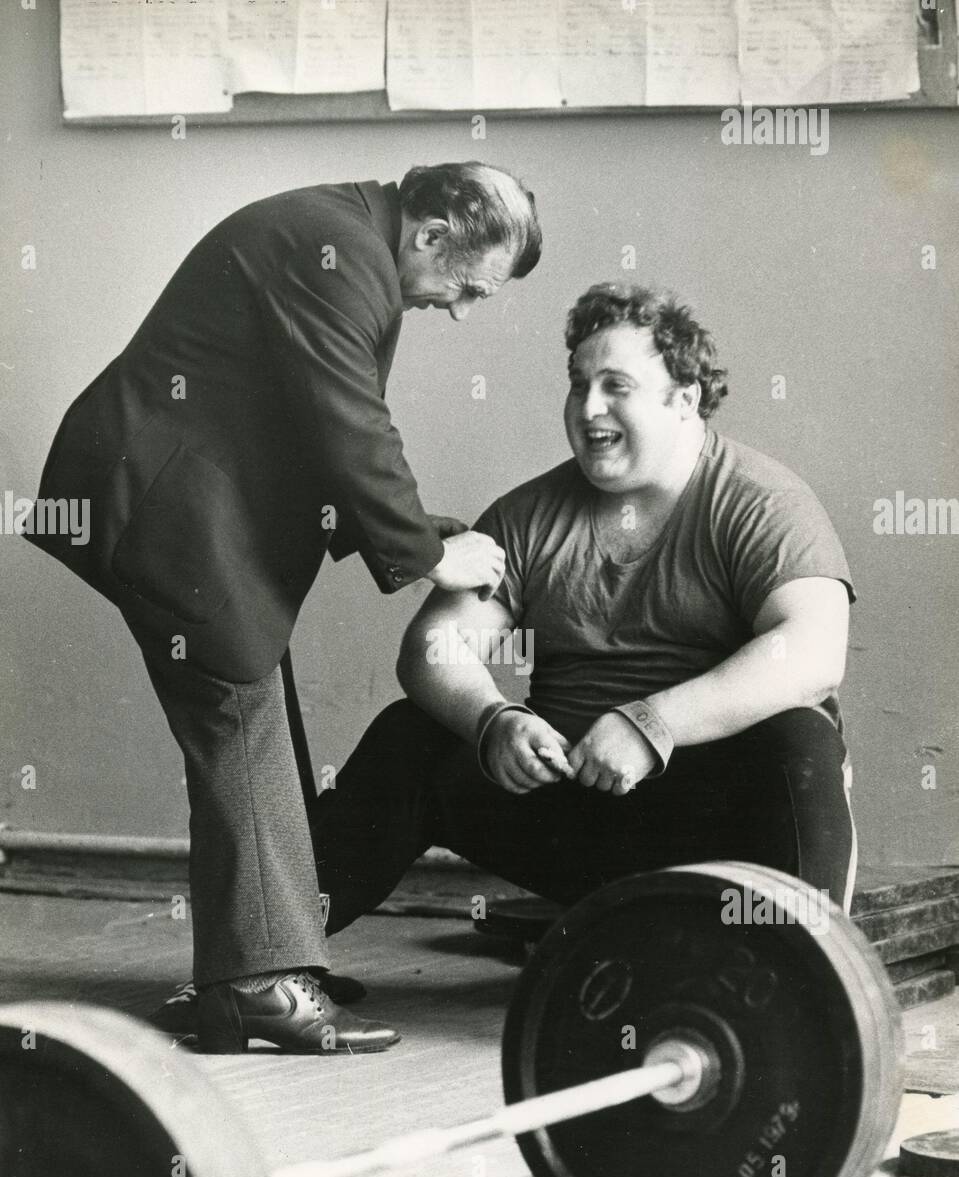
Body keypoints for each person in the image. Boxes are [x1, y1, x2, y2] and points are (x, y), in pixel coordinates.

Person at [23, 162, 541, 1054]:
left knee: (253, 704)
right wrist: (424, 555)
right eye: (464, 287)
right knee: (236, 707)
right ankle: (260, 981)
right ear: (430, 233)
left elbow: (309, 423)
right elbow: (346, 424)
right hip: (158, 501)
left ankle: (262, 964)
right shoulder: (336, 246)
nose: (458, 309)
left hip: (184, 499)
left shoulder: (343, 238)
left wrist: (421, 532)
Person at [308, 283, 858, 939]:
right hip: (575, 818)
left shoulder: (761, 502)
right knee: (412, 734)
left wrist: (653, 724)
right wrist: (493, 720)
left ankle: (801, 977)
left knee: (798, 737)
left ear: (683, 399)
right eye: (578, 383)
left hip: (716, 834)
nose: (587, 406)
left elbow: (812, 651)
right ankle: (270, 962)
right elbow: (433, 646)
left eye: (615, 385)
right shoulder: (527, 515)